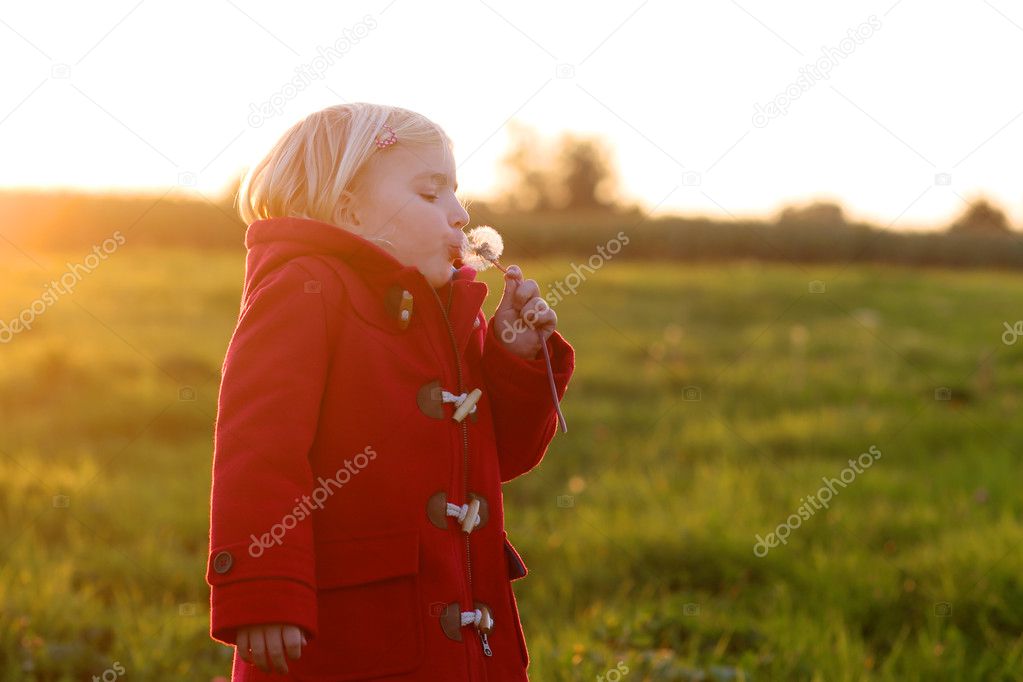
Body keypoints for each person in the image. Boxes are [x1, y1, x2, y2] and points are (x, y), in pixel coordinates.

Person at [205, 102, 575, 680]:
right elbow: (258, 452)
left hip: (463, 639)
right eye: (431, 195)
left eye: (456, 195)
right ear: (350, 212)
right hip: (347, 638)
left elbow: (504, 457)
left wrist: (514, 355)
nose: (459, 215)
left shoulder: (454, 311)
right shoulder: (306, 289)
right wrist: (262, 590)